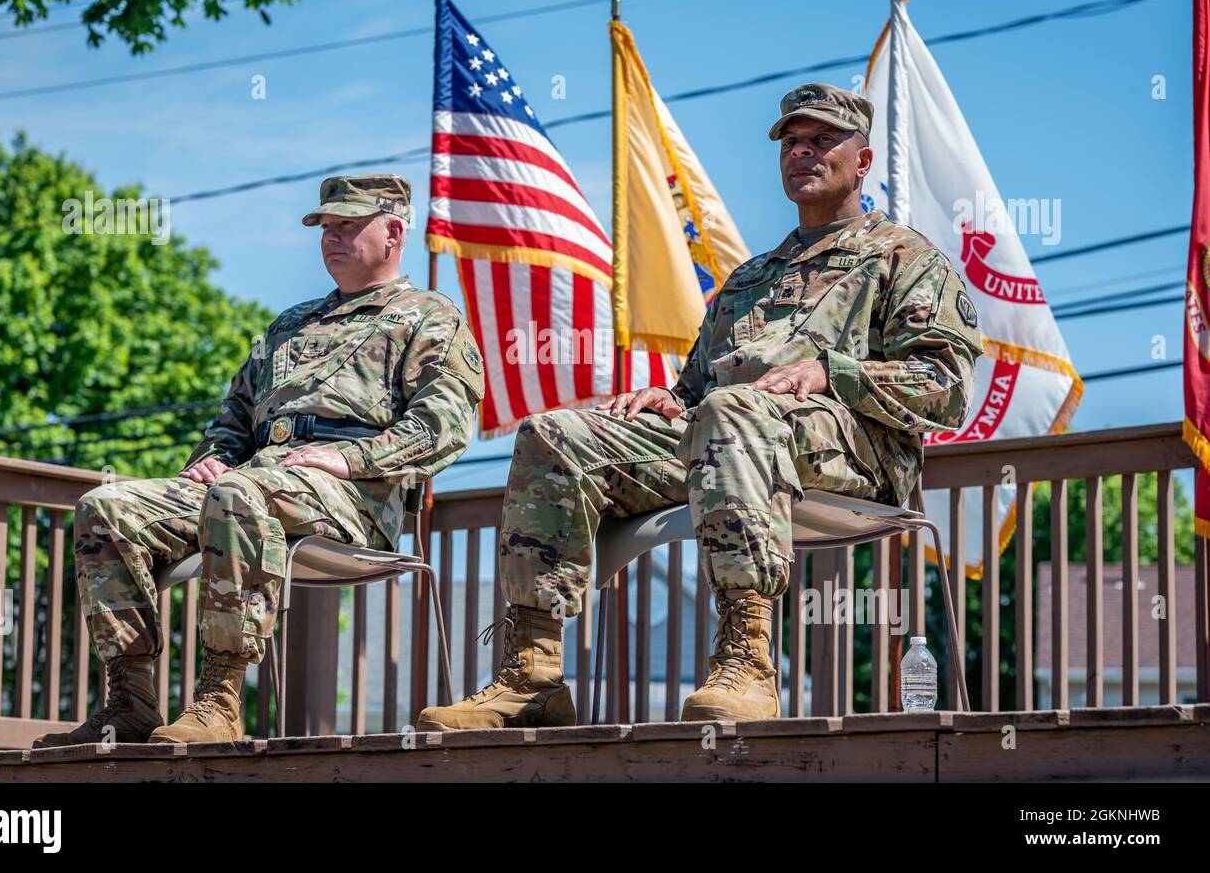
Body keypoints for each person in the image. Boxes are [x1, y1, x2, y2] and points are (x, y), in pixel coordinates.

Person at [418, 83, 983, 729]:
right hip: (728, 440)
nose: (803, 151)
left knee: (733, 411)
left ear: (862, 161)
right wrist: (667, 398)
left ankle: (749, 661)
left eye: (823, 140)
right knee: (555, 432)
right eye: (792, 142)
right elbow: (695, 391)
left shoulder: (905, 258)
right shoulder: (752, 277)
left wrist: (834, 372)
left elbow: (944, 388)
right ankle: (534, 674)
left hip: (853, 452)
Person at [34, 174, 484, 747]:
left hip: (353, 500)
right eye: (326, 227)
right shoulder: (289, 326)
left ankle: (219, 699)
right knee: (106, 507)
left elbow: (444, 429)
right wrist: (213, 460)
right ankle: (130, 701)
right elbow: (232, 421)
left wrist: (346, 459)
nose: (331, 237)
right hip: (254, 484)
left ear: (394, 231)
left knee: (239, 495)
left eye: (347, 225)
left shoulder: (430, 318)